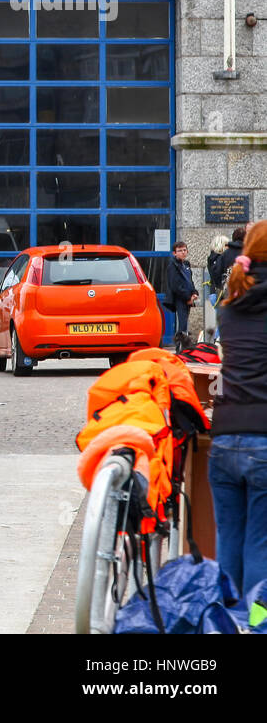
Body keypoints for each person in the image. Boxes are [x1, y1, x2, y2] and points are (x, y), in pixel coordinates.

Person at [208, 221, 267, 597]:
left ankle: (226, 618)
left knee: (227, 536)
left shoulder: (228, 308)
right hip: (263, 437)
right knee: (261, 541)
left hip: (225, 436)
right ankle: (258, 621)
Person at [163, 240, 197, 344]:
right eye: (180, 250)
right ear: (174, 253)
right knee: (182, 325)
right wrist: (188, 298)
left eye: (184, 250)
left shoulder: (186, 264)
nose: (183, 252)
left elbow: (189, 281)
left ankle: (183, 346)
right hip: (180, 299)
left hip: (188, 298)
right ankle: (181, 348)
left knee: (185, 324)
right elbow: (175, 286)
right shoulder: (172, 266)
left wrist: (194, 293)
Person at [206, 233, 231, 339]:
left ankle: (218, 341)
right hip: (219, 294)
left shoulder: (212, 258)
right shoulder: (220, 259)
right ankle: (218, 342)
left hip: (214, 293)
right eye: (226, 245)